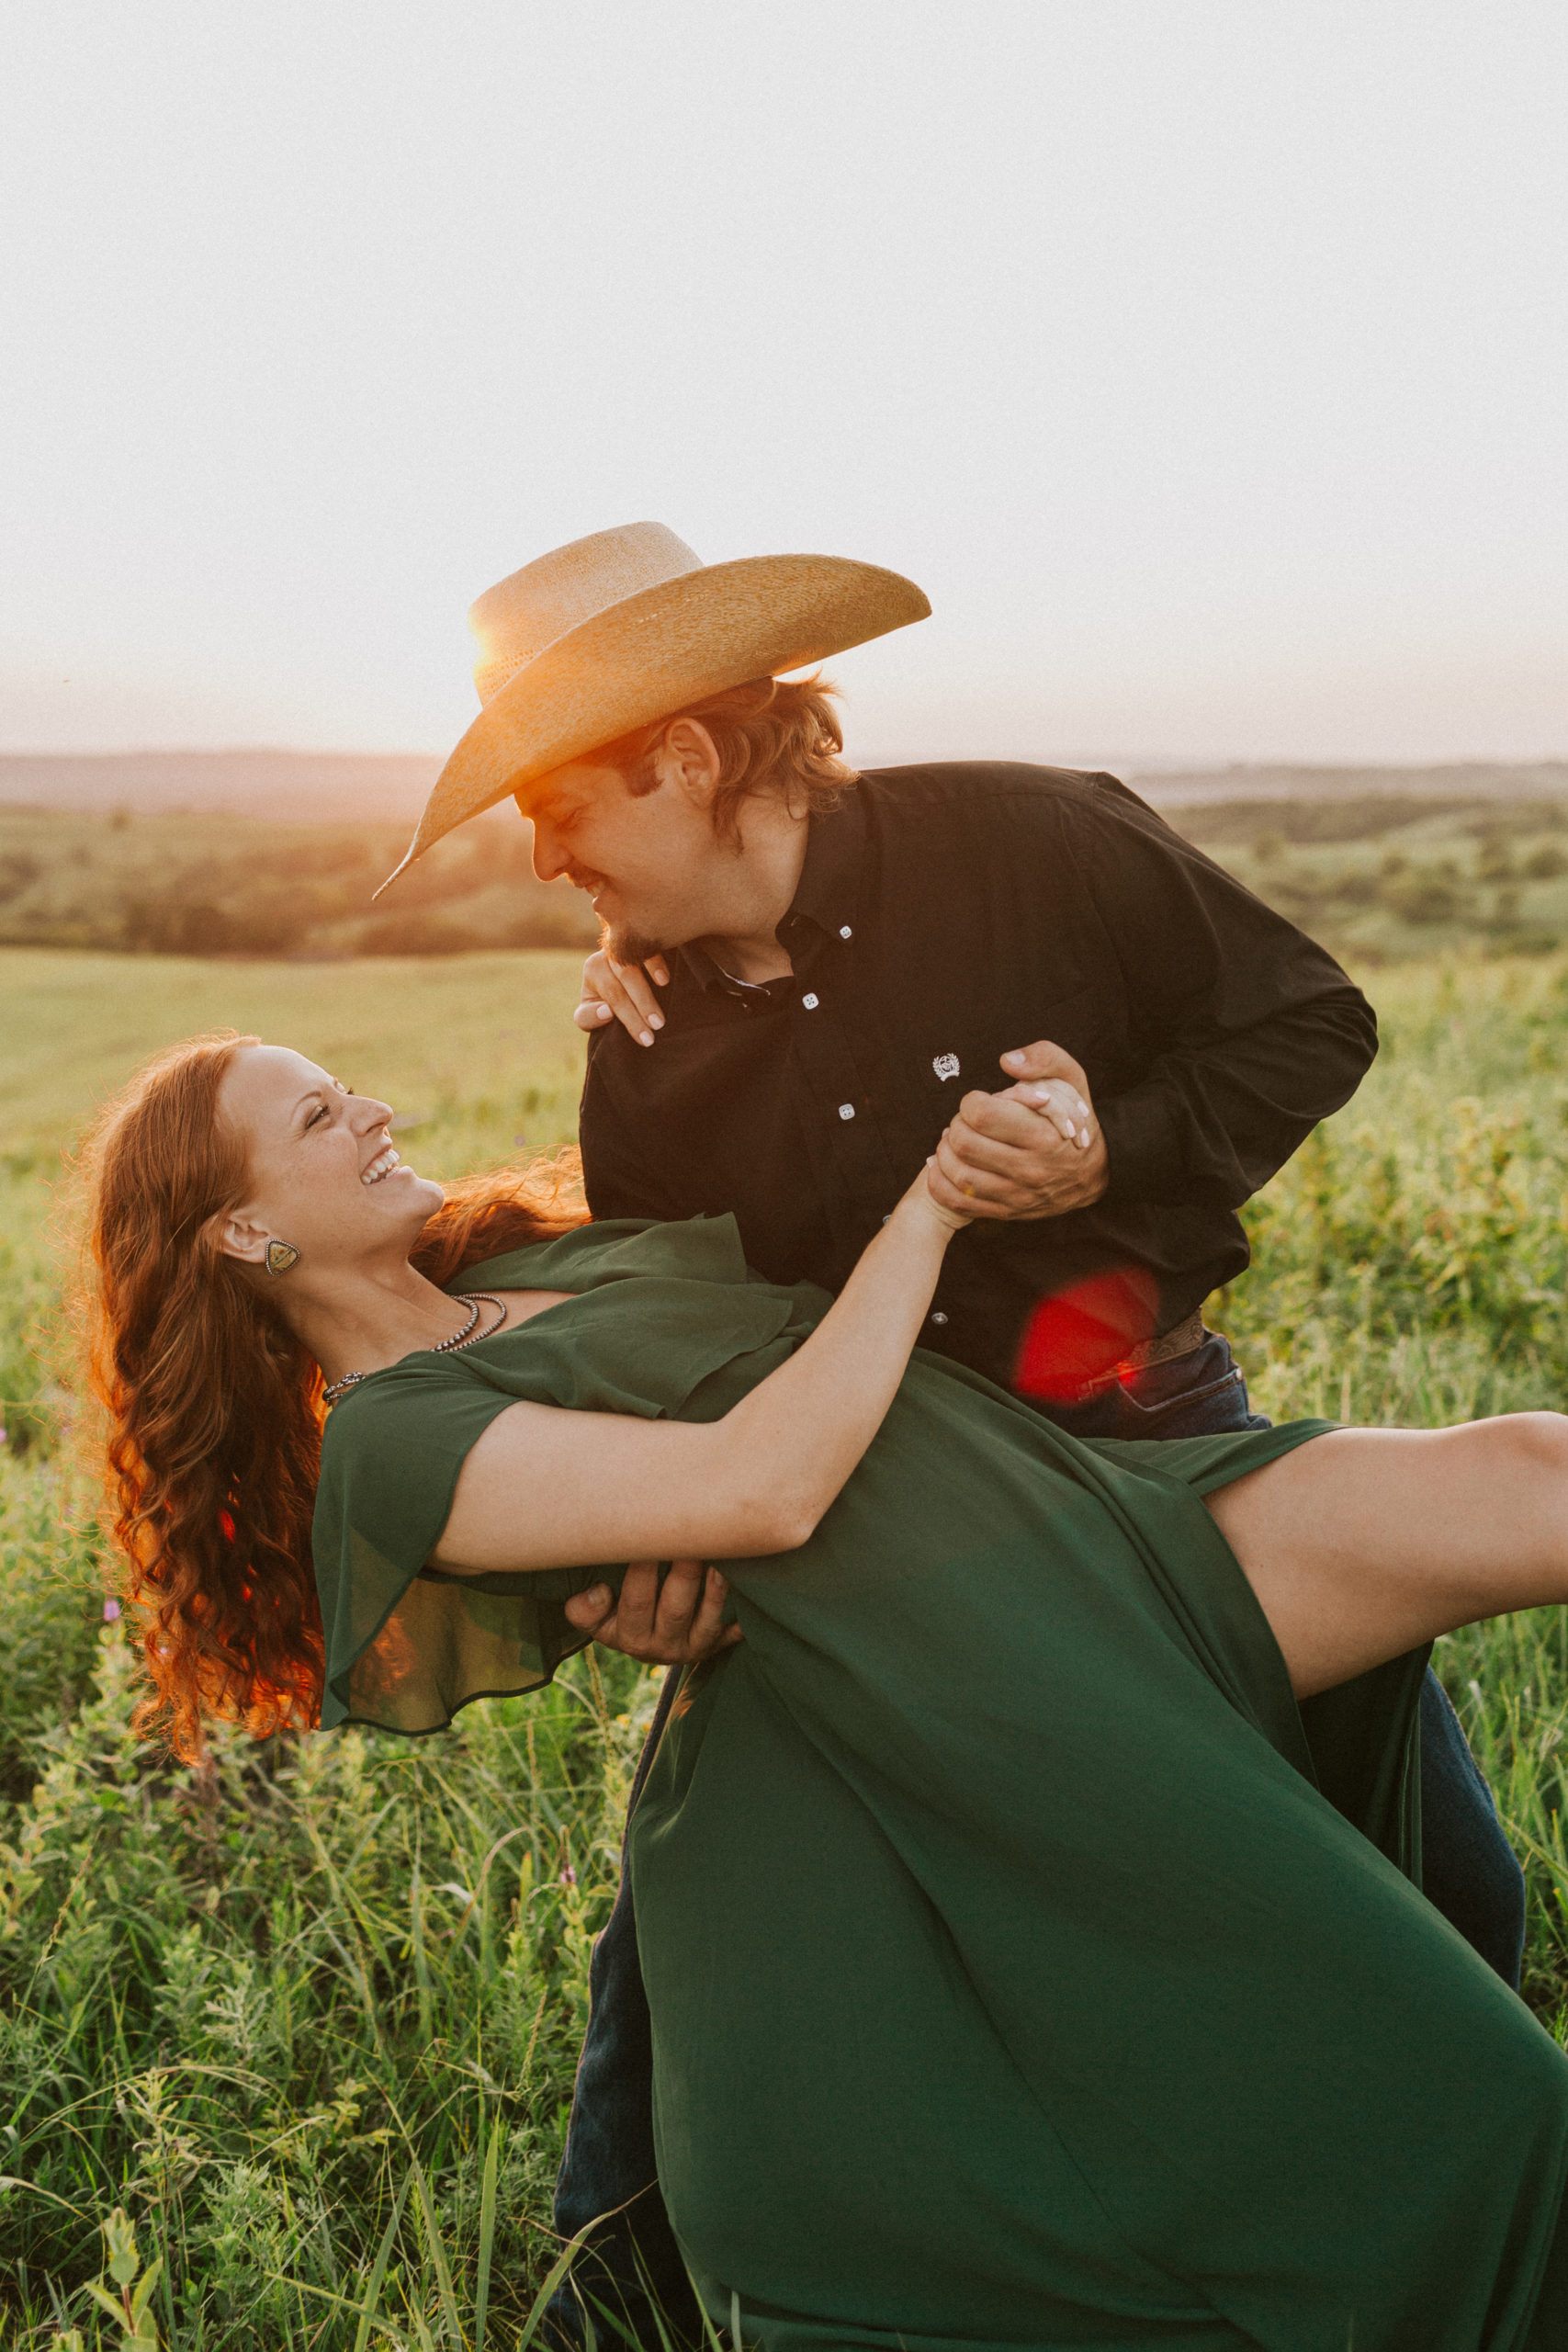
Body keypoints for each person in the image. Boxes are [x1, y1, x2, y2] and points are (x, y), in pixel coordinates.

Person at [383, 523, 1528, 2335]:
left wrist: (1111, 1147)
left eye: (555, 806)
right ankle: (631, 2297)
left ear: (681, 760)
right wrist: (650, 1574)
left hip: (1152, 1447)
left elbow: (1309, 1023)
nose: (544, 862)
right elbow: (686, 1356)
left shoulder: (1037, 838)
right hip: (871, 1540)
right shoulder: (642, 1039)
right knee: (678, 1969)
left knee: (1425, 1880)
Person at [81, 1032, 1568, 2349]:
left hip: (1075, 1511)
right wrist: (933, 1205)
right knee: (1442, 2105)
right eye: (322, 1117)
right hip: (956, 1656)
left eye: (350, 1087)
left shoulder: (512, 1265)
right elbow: (765, 1486)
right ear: (244, 1232)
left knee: (1527, 1473)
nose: (377, 1111)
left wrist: (638, 980)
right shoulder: (392, 1443)